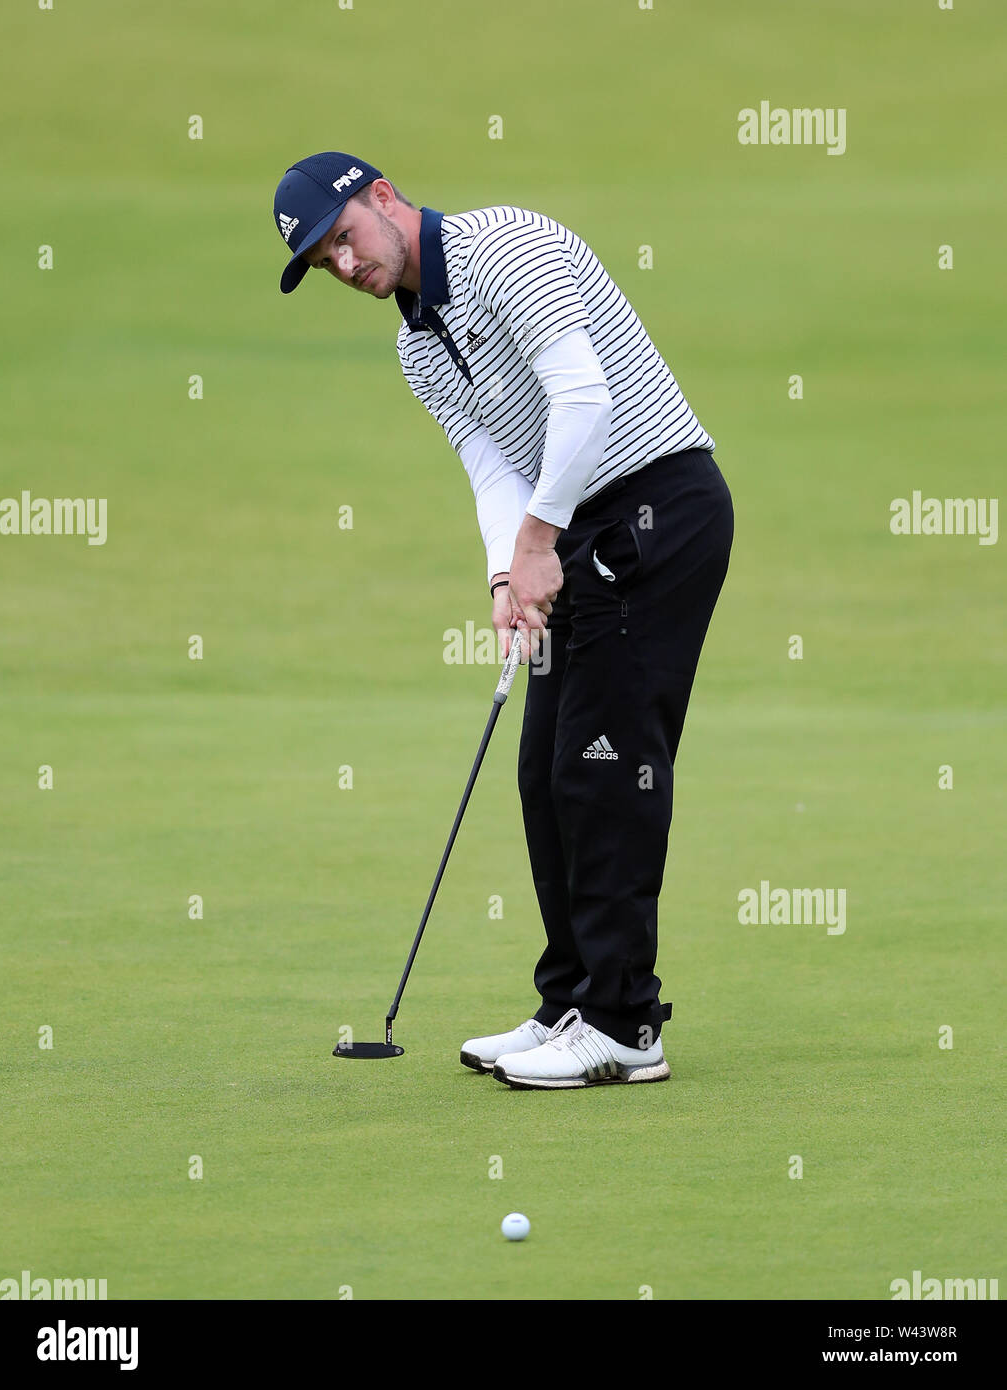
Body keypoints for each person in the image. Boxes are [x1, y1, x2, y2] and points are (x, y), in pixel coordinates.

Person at [273, 152, 734, 1091]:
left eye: (344, 240)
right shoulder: (416, 342)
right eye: (325, 263)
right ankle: (571, 1000)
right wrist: (506, 572)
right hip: (571, 526)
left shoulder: (503, 246)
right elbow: (493, 469)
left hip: (655, 507)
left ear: (384, 197)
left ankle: (624, 1022)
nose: (345, 266)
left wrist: (538, 541)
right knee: (544, 771)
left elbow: (585, 401)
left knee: (602, 765)